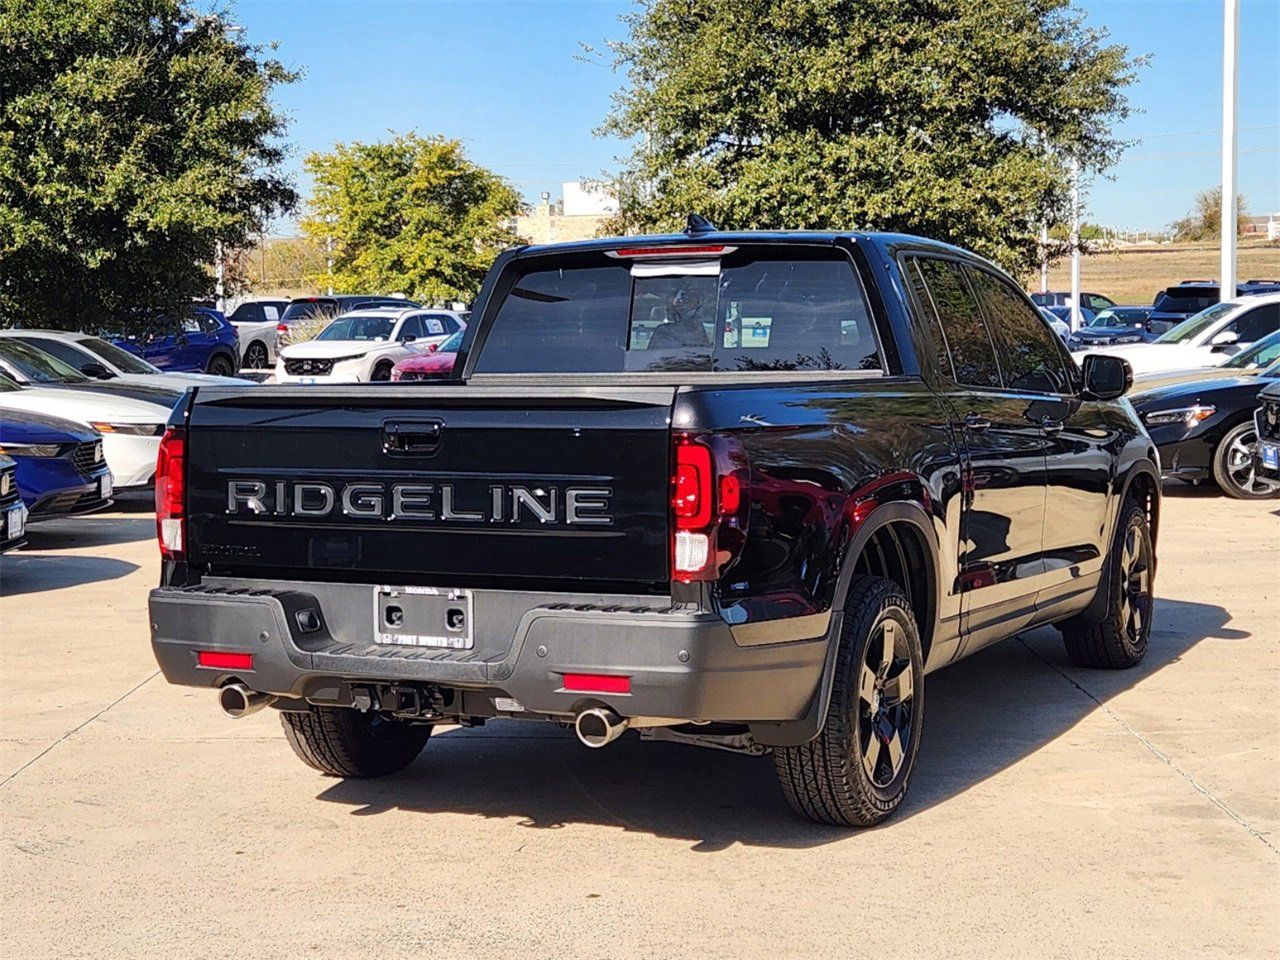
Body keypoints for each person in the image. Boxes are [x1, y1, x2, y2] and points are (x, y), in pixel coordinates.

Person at [647, 283, 711, 350]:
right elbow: (652, 356)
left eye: (692, 300)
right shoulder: (663, 331)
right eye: (685, 300)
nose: (688, 306)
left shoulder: (701, 330)